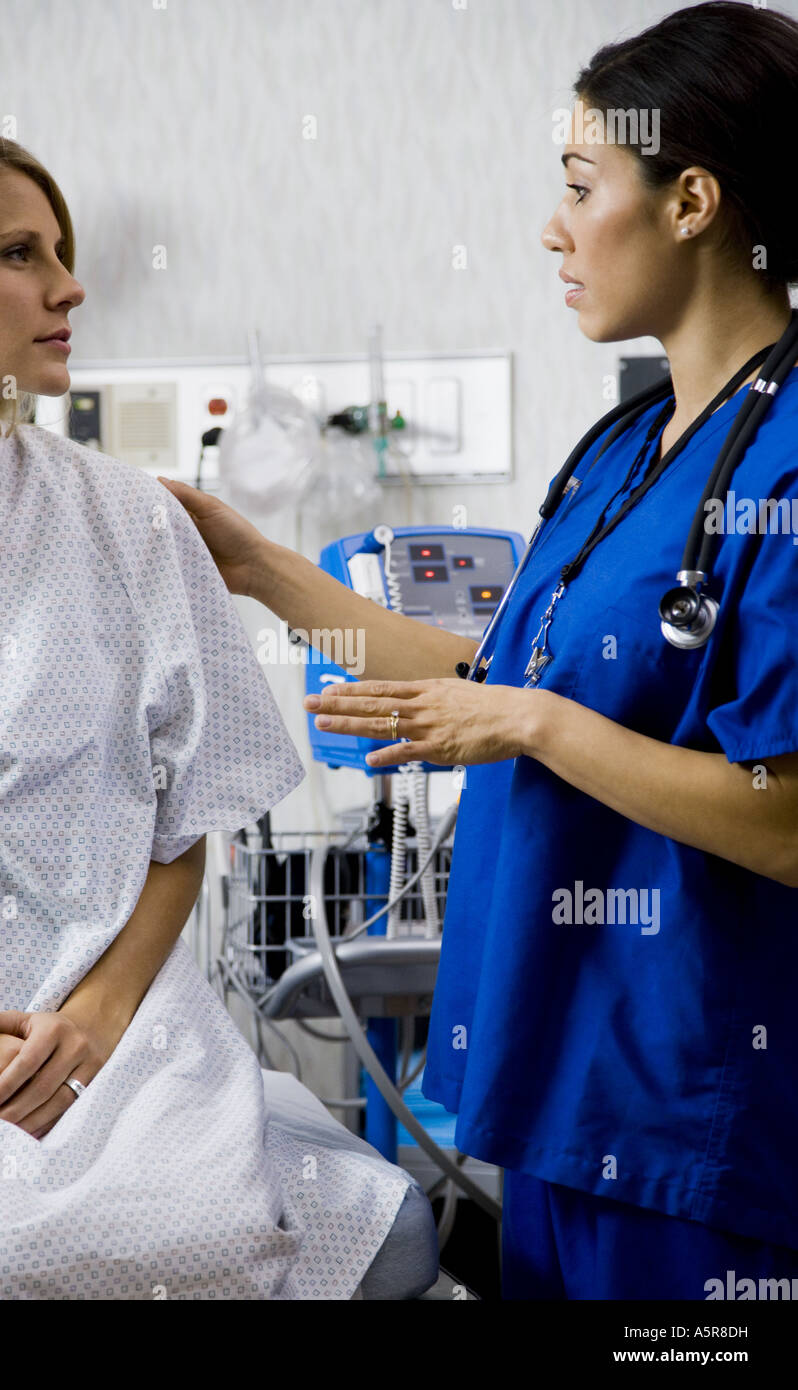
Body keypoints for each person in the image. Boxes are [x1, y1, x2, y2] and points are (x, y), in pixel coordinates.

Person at [161, 2, 798, 1299]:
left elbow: (782, 819)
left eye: (579, 187)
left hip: (696, 1117)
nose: (550, 229)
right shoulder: (623, 454)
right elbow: (484, 680)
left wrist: (529, 728)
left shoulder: (783, 459)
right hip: (562, 1093)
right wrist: (251, 563)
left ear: (691, 199)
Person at [0, 122, 416, 1300]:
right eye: (20, 254)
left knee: (215, 1241)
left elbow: (178, 829)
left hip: (119, 1026)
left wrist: (92, 1020)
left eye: (60, 249)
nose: (71, 284)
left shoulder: (128, 520)